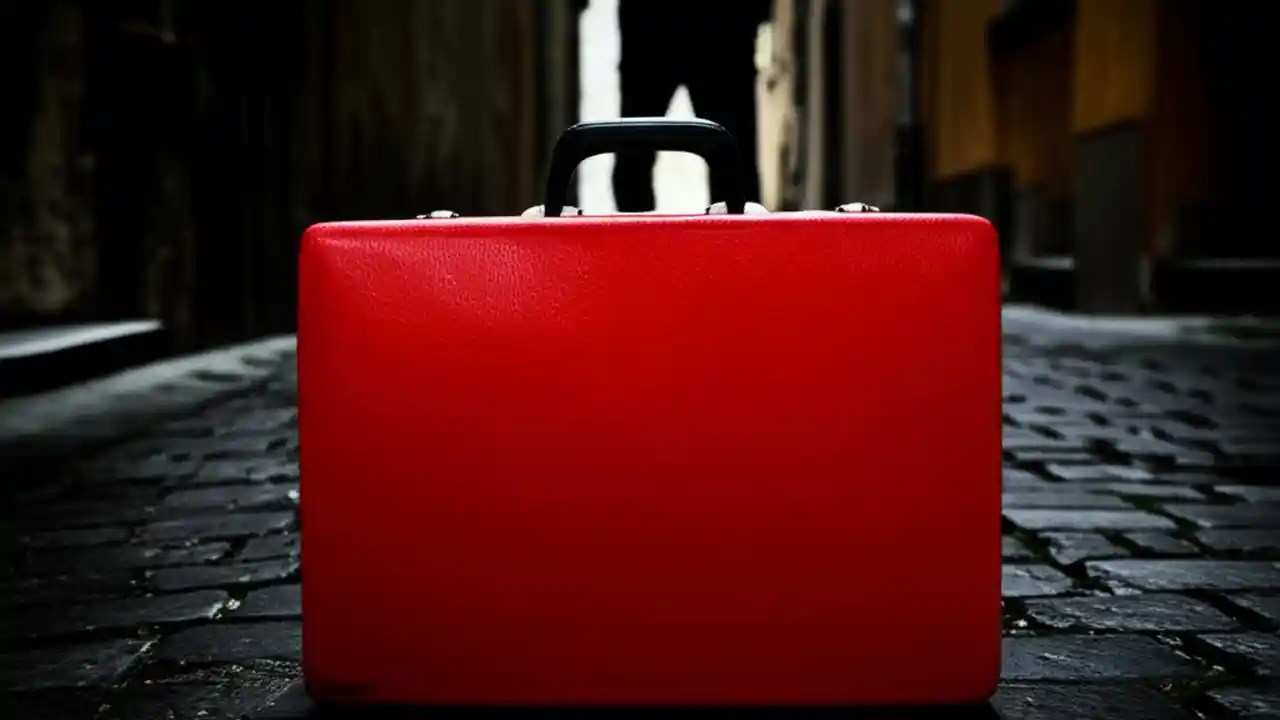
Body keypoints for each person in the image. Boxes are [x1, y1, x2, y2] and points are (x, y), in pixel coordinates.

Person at [613, 0, 771, 211]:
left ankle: (633, 239)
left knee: (634, 155)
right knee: (732, 160)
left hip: (656, 20)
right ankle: (736, 238)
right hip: (722, 21)